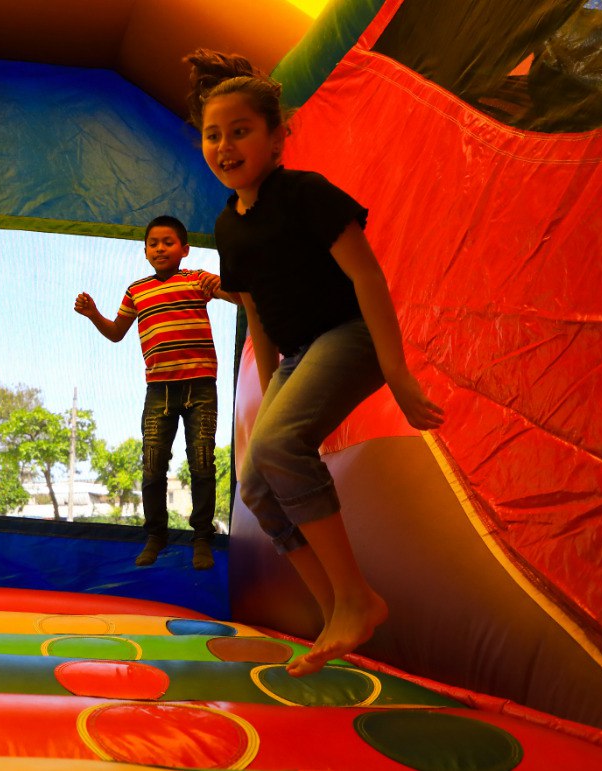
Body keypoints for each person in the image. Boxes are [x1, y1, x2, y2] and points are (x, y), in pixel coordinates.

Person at [184, 49, 446, 676]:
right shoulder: (227, 224)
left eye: (241, 130)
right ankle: (339, 613)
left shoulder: (305, 194)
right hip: (300, 353)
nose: (225, 145)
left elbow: (369, 277)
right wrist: (271, 394)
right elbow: (260, 315)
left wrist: (398, 371)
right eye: (212, 134)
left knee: (278, 449)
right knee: (253, 481)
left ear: (277, 137)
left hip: (351, 333)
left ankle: (355, 598)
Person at [75, 215, 232, 571]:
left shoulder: (195, 280)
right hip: (159, 389)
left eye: (168, 242)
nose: (160, 248)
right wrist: (93, 313)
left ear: (184, 249)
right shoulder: (137, 290)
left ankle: (202, 537)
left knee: (203, 463)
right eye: (153, 244)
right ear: (145, 251)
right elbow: (116, 332)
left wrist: (219, 283)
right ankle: (156, 535)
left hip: (201, 386)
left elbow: (239, 298)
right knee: (152, 465)